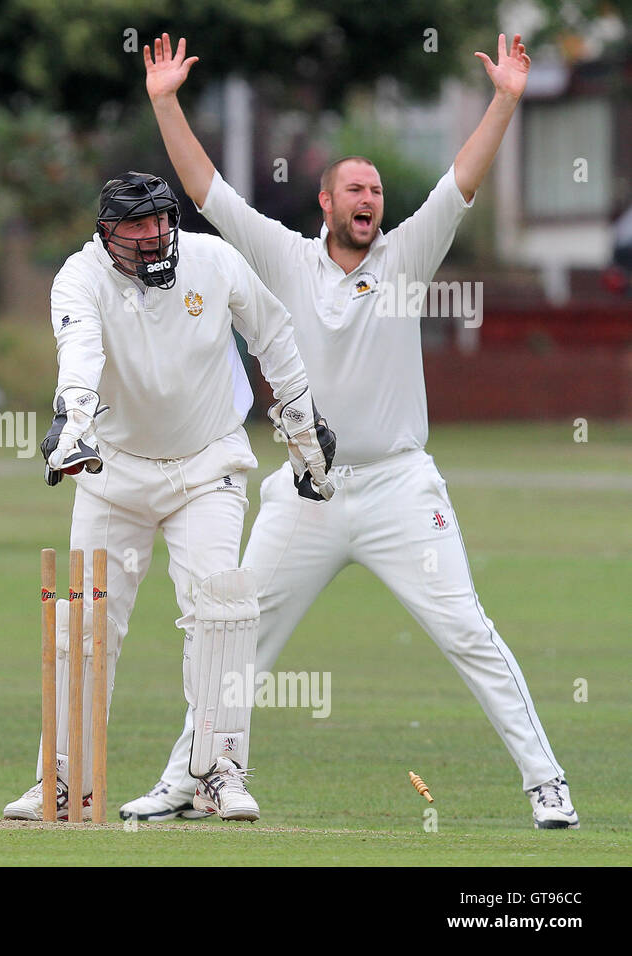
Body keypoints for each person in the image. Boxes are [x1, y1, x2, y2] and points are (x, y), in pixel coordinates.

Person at [134, 33, 577, 828]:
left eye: (376, 189)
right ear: (328, 205)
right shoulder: (285, 258)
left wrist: (506, 98)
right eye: (355, 190)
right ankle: (190, 778)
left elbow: (461, 180)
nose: (369, 199)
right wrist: (166, 100)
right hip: (307, 491)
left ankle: (547, 783)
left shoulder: (405, 258)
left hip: (400, 489)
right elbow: (207, 191)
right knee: (237, 636)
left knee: (468, 631)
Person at [2, 172, 338, 821]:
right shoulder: (80, 278)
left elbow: (273, 332)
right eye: (137, 228)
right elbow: (80, 352)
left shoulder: (212, 260)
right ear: (107, 234)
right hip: (115, 473)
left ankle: (217, 775)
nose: (154, 238)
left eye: (161, 223)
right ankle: (67, 782)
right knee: (84, 627)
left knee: (222, 610)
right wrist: (73, 422)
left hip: (206, 465)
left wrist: (302, 425)